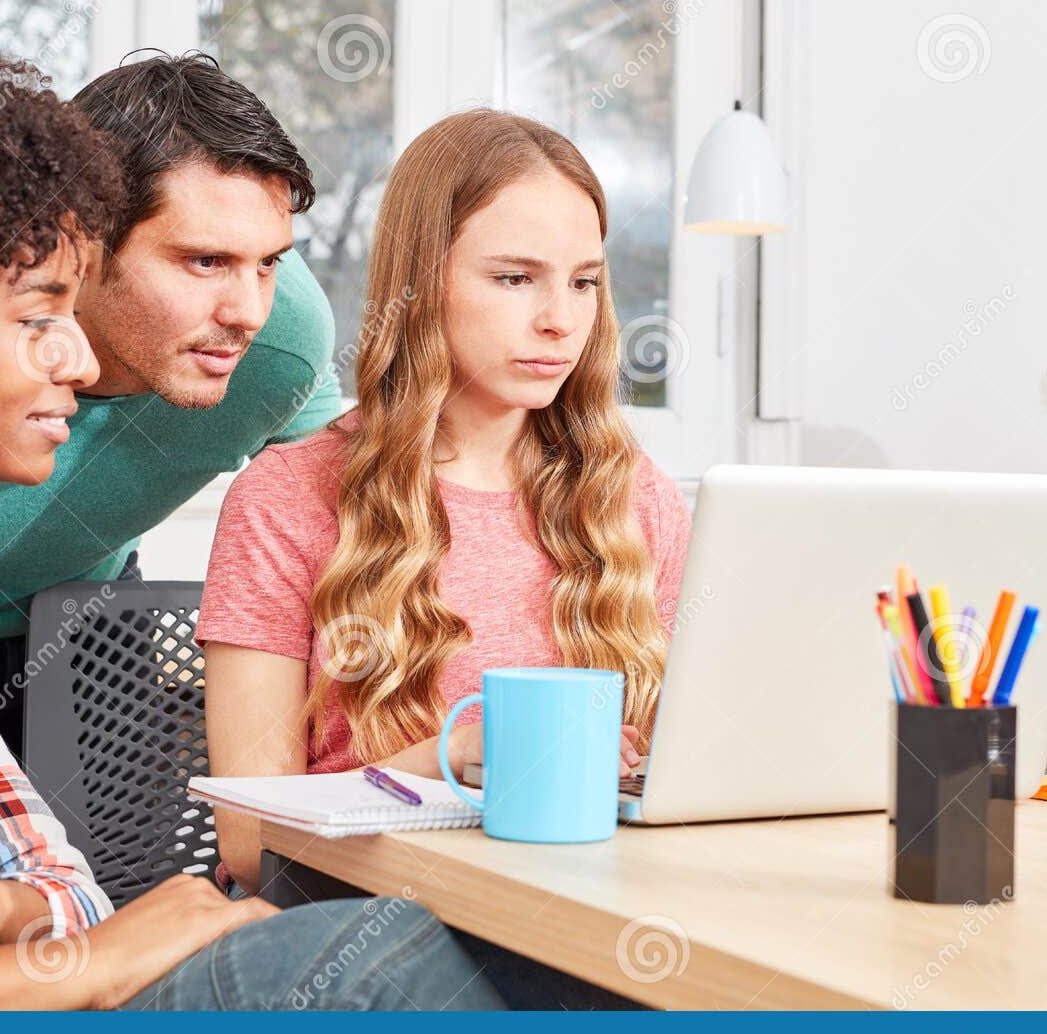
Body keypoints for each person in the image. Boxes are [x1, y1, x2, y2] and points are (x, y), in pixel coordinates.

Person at [0, 42, 499, 1012]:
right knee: (375, 961)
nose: (78, 364)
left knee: (408, 944)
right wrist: (73, 964)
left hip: (55, 636)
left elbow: (66, 893)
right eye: (42, 312)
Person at [197, 109, 692, 893]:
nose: (561, 319)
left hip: (589, 907)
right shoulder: (287, 499)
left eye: (585, 282)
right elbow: (253, 841)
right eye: (514, 278)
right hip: (365, 920)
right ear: (422, 282)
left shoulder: (634, 498)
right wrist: (446, 758)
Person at [0, 52, 343, 761]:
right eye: (204, 261)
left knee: (119, 871)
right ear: (82, 237)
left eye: (268, 261)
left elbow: (338, 524)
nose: (249, 311)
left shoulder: (285, 333)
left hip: (88, 620)